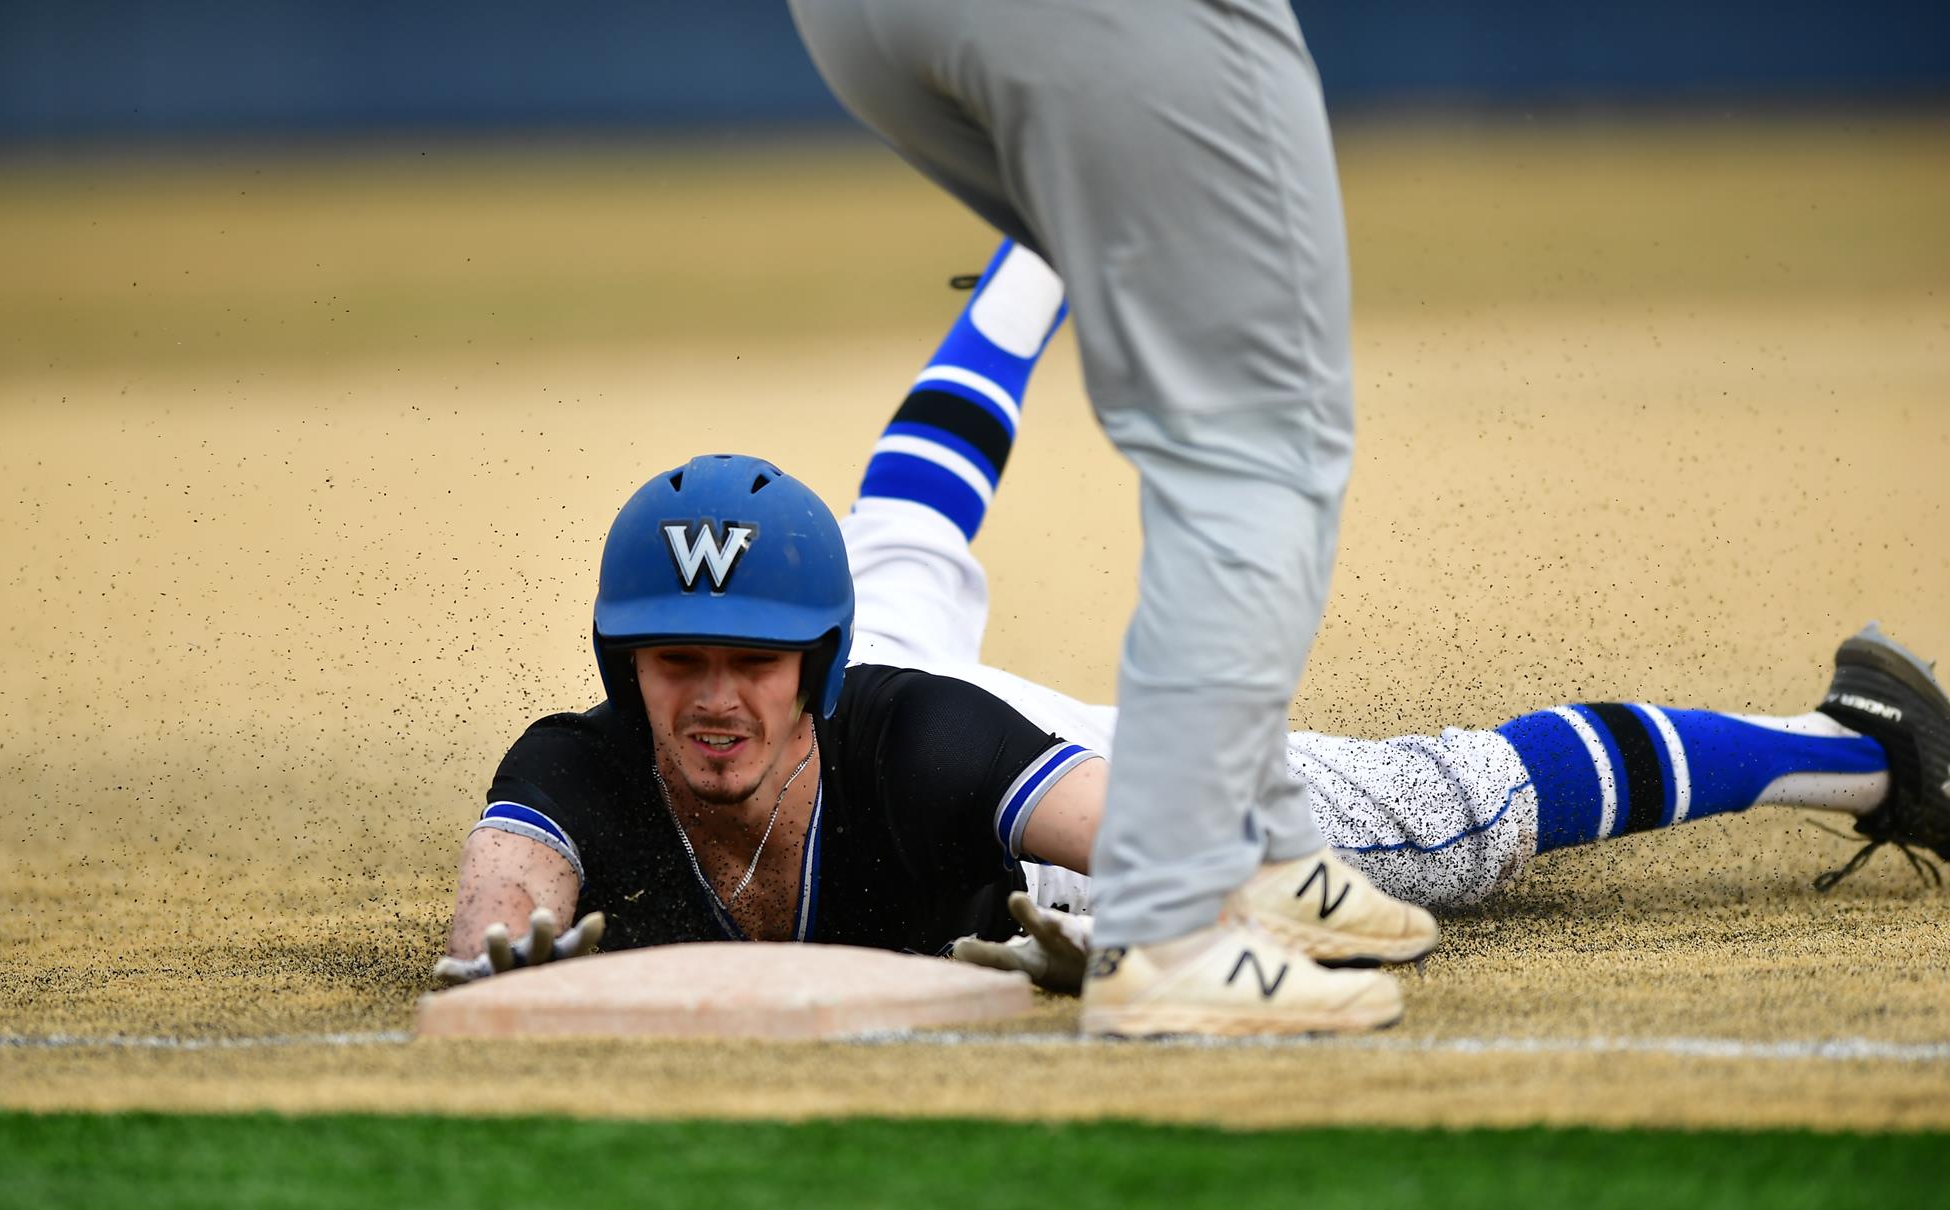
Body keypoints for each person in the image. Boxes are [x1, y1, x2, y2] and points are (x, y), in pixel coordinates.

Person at [435, 243, 1949, 1027]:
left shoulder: (924, 741)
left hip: (1016, 801)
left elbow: (1186, 845)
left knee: (1442, 819)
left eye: (748, 659)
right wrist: (496, 956)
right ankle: (1047, 252)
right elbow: (507, 889)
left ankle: (1863, 749)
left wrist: (1166, 930)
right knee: (896, 554)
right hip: (880, 692)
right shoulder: (590, 758)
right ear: (623, 666)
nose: (710, 694)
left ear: (807, 676)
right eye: (675, 658)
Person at [786, 0, 1372, 1034]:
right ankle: (1179, 924)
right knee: (1254, 442)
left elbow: (924, 472)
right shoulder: (892, 697)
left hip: (846, 28)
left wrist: (1047, 246)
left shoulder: (843, 647)